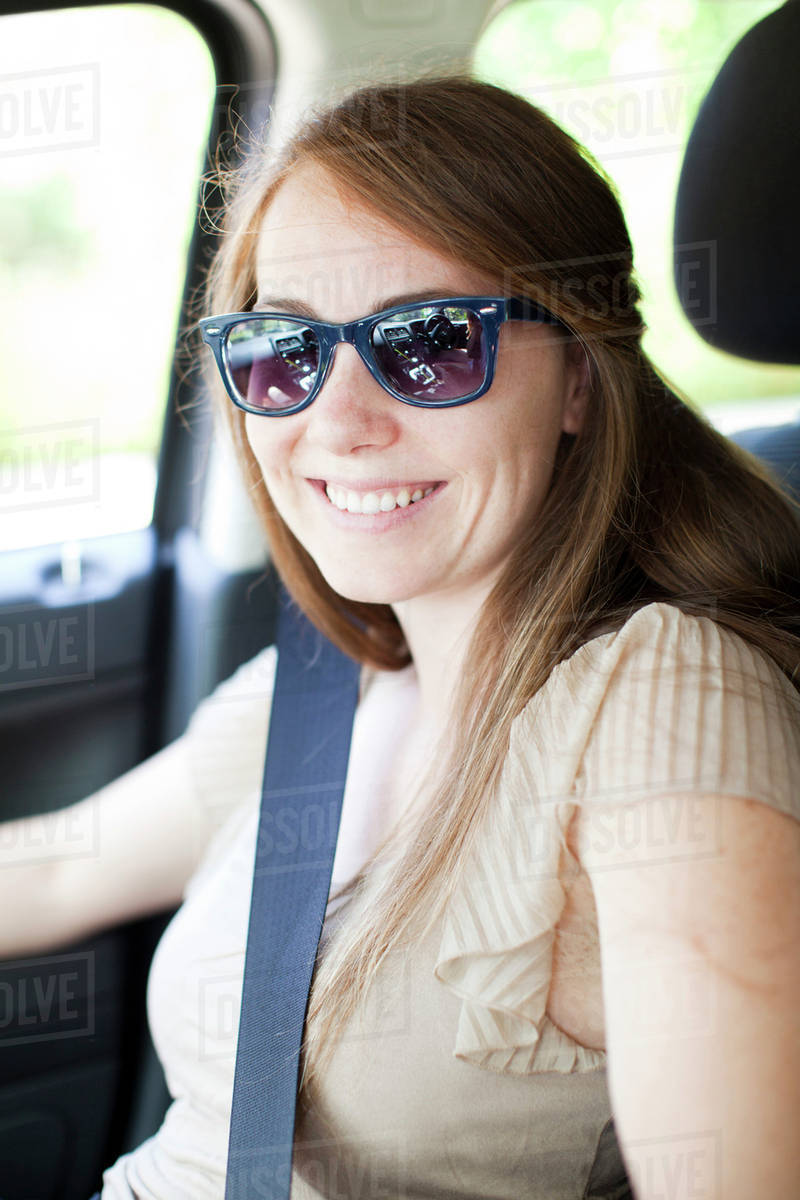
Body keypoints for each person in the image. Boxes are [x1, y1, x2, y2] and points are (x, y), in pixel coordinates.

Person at [4, 76, 800, 1199]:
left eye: (427, 342)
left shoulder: (664, 702)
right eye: (284, 349)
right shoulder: (334, 687)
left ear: (578, 375)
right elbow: (42, 878)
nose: (335, 419)